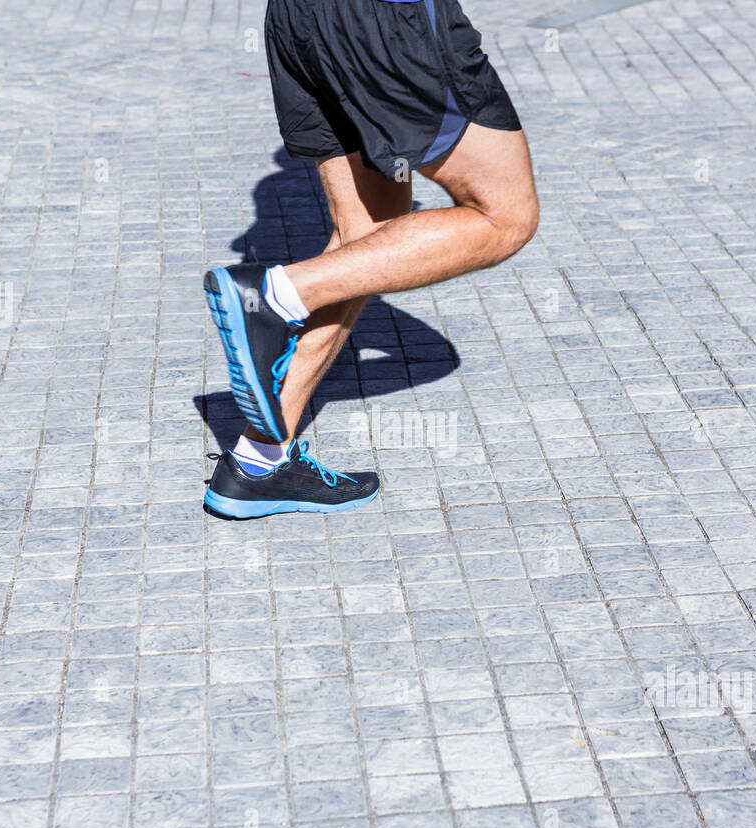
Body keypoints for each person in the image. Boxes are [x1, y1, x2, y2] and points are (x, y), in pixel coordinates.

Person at [203, 0, 539, 519]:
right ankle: (276, 295)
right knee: (504, 216)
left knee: (366, 234)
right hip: (386, 21)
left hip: (302, 20)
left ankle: (258, 462)